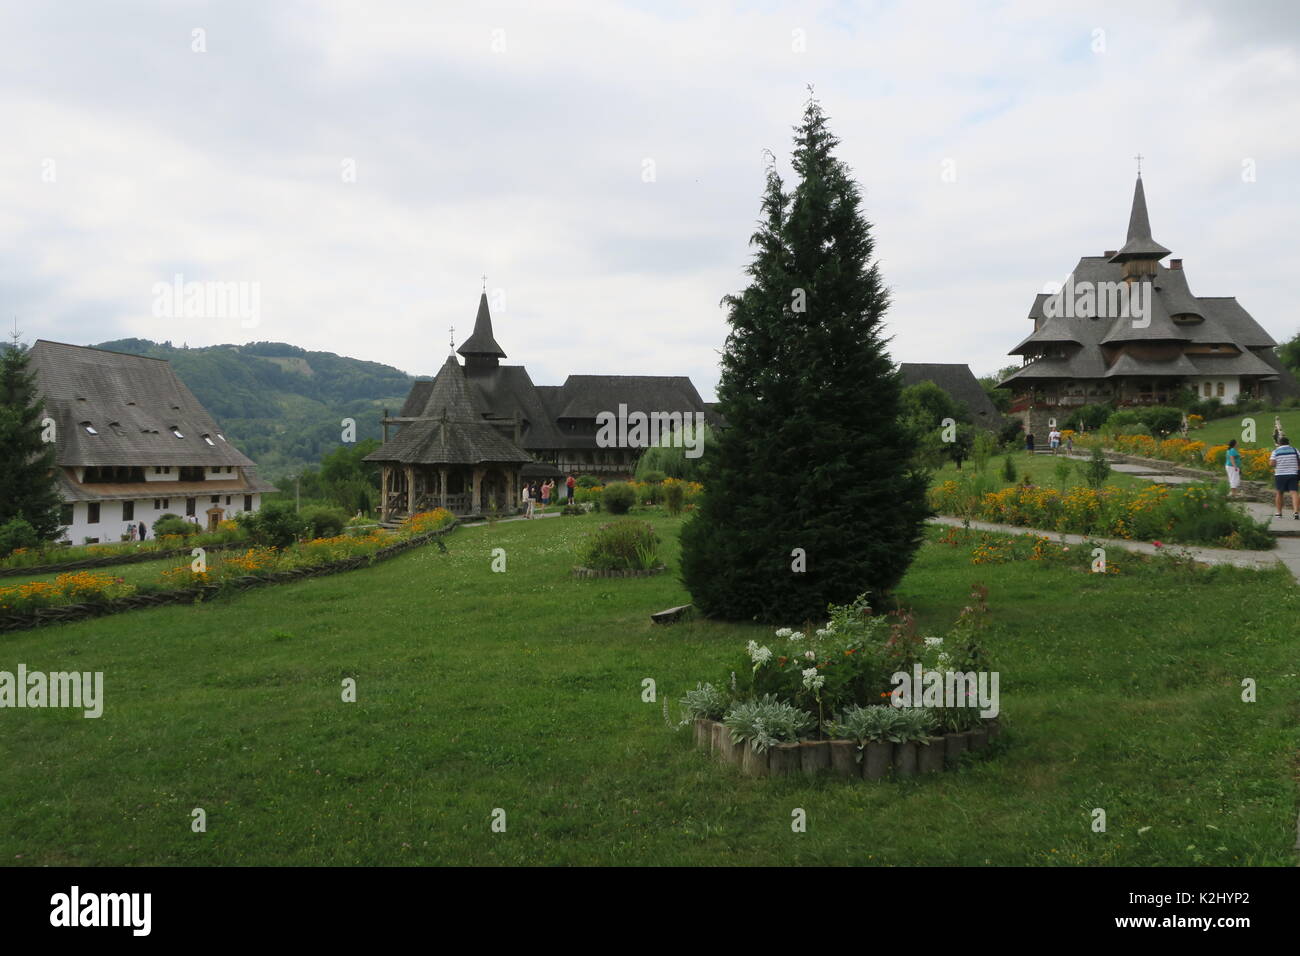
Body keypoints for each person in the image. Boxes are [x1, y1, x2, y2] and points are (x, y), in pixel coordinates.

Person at [1269, 435, 1300, 519]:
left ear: (1279, 443)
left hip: (1280, 474)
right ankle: (1296, 512)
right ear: (1288, 443)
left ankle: (1279, 513)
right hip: (1293, 474)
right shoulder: (1295, 450)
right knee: (1294, 493)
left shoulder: (1276, 451)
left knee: (1279, 493)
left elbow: (1271, 463)